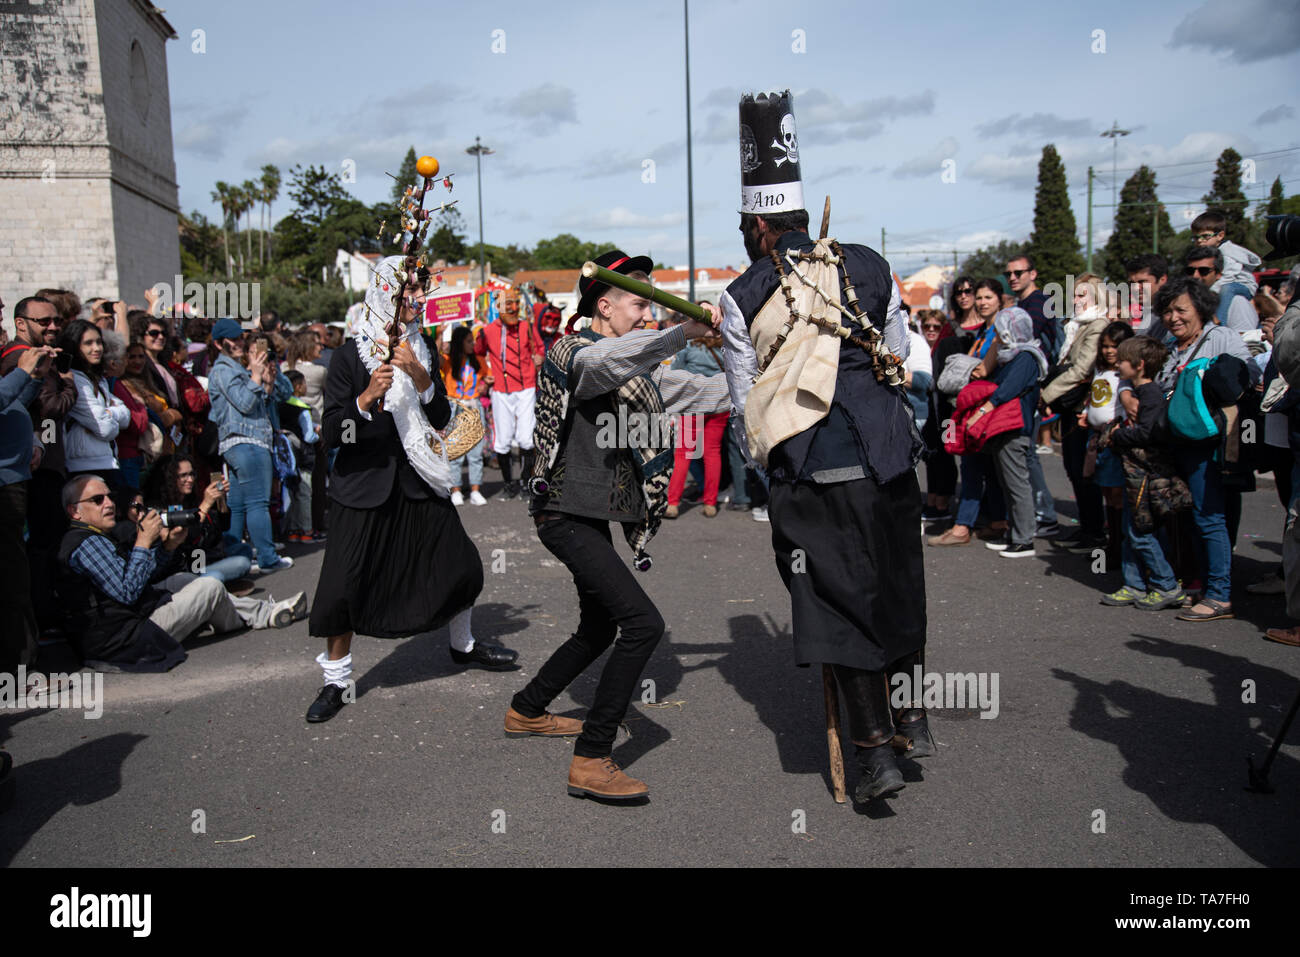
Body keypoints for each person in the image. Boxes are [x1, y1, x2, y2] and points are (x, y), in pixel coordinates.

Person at [717, 91, 930, 804]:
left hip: (816, 473)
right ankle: (911, 718)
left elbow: (749, 402)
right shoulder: (871, 263)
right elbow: (900, 357)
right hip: (891, 459)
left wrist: (770, 472)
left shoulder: (738, 295)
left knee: (840, 605)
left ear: (757, 225)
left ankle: (873, 756)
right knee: (897, 586)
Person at [507, 248, 730, 800]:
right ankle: (592, 757)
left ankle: (527, 709)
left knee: (598, 627)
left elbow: (712, 394)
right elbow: (609, 363)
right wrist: (682, 331)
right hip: (563, 514)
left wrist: (752, 360)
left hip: (591, 518)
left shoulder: (640, 377)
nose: (647, 313)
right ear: (603, 305)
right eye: (639, 303)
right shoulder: (572, 351)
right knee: (643, 625)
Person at [305, 257, 516, 724]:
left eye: (420, 292)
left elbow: (441, 419)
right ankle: (337, 682)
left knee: (460, 564)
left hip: (419, 477)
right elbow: (332, 433)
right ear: (385, 294)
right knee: (342, 587)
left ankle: (463, 645)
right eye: (410, 293)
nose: (419, 300)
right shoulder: (349, 356)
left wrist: (421, 378)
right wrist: (363, 402)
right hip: (363, 486)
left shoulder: (420, 347)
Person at [56, 474, 305, 671]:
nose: (109, 504)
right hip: (124, 639)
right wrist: (144, 542)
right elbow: (128, 591)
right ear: (74, 511)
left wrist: (169, 546)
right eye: (98, 500)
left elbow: (146, 576)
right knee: (211, 585)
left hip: (131, 619)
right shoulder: (88, 542)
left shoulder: (97, 536)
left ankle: (252, 613)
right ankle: (258, 614)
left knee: (186, 579)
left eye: (109, 497)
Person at [1153, 277, 1254, 621]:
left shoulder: (1220, 337)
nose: (1173, 317)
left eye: (1181, 309)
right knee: (1190, 517)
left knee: (1210, 518)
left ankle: (1220, 596)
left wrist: (1209, 378)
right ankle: (1199, 585)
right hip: (1177, 443)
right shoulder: (1170, 345)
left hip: (1207, 444)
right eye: (1166, 311)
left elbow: (1248, 375)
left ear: (1201, 308)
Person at [1098, 335, 1186, 610]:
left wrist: (1118, 436)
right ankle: (1134, 583)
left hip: (1147, 475)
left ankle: (1166, 584)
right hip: (1134, 474)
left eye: (1123, 360)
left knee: (1141, 532)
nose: (1118, 364)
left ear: (1139, 365)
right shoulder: (1141, 392)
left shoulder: (1151, 394)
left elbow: (1148, 434)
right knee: (1131, 529)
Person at [206, 318, 291, 573]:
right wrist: (255, 375)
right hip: (246, 443)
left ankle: (239, 553)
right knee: (258, 503)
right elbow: (244, 403)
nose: (239, 343)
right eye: (233, 339)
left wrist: (265, 380)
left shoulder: (233, 368)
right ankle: (267, 558)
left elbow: (260, 401)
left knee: (239, 505)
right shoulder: (223, 370)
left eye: (241, 338)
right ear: (219, 343)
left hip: (243, 442)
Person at [966, 308, 1049, 558]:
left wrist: (981, 413)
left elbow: (1007, 390)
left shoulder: (1024, 357)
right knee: (1009, 483)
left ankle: (1024, 539)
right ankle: (1015, 535)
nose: (998, 338)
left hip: (1014, 428)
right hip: (1008, 428)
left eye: (1001, 332)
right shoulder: (1018, 355)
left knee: (1016, 485)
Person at [1043, 275, 1112, 552]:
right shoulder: (1076, 326)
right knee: (1073, 469)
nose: (1075, 300)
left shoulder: (1097, 326)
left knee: (1084, 472)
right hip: (1070, 406)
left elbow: (1081, 370)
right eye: (1074, 295)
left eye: (1082, 295)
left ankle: (1095, 533)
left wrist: (1046, 394)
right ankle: (1087, 528)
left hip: (1084, 407)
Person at [0, 340, 57, 678]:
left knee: (15, 578)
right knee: (11, 581)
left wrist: (33, 378)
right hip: (4, 487)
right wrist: (21, 371)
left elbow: (10, 408)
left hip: (13, 481)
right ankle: (17, 671)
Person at [1005, 253, 1060, 537]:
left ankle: (1044, 515)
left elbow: (1036, 350)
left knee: (1026, 455)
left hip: (1034, 388)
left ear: (1033, 274)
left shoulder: (1038, 305)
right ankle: (1041, 514)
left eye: (1018, 272)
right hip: (1030, 388)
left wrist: (1044, 391)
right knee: (1026, 455)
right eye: (1009, 274)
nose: (1013, 278)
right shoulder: (1024, 304)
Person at [475, 288, 543, 499]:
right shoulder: (487, 331)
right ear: (498, 307)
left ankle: (525, 482)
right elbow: (477, 352)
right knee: (502, 441)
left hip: (526, 388)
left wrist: (539, 358)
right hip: (501, 392)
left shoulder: (527, 327)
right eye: (509, 304)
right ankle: (508, 484)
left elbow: (540, 349)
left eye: (516, 303)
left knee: (526, 439)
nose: (513, 308)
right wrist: (485, 372)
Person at [153, 456, 255, 594]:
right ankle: (216, 588)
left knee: (243, 549)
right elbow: (189, 539)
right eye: (183, 475)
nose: (190, 479)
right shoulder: (162, 508)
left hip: (200, 558)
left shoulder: (190, 499)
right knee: (240, 563)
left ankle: (219, 586)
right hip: (183, 568)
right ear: (170, 478)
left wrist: (221, 501)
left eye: (191, 474)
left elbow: (224, 526)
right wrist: (206, 504)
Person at [58, 319, 130, 489]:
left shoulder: (98, 379)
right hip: (83, 466)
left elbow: (126, 416)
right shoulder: (75, 379)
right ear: (75, 346)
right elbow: (105, 428)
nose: (97, 348)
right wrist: (110, 415)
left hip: (108, 461)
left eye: (99, 342)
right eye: (88, 343)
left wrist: (109, 413)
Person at [664, 329, 728, 518]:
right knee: (712, 453)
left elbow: (674, 371)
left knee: (683, 452)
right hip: (719, 404)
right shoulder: (727, 349)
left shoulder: (690, 347)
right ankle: (710, 502)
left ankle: (673, 503)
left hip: (693, 404)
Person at [442, 324, 489, 506]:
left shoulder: (479, 360)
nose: (473, 344)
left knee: (476, 452)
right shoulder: (448, 361)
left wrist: (485, 384)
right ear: (460, 342)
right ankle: (456, 490)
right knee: (455, 451)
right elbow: (435, 357)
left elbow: (487, 378)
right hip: (456, 407)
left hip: (474, 407)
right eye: (469, 341)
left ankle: (476, 490)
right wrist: (439, 333)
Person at [1183, 246, 1258, 334]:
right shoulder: (1182, 301)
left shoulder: (1236, 303)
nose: (1195, 276)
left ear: (1218, 274)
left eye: (1203, 271)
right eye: (1190, 271)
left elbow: (1247, 343)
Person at [1126, 253, 1169, 337]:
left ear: (1162, 279)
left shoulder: (1172, 315)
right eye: (1132, 283)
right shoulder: (1146, 313)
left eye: (1142, 282)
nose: (1136, 288)